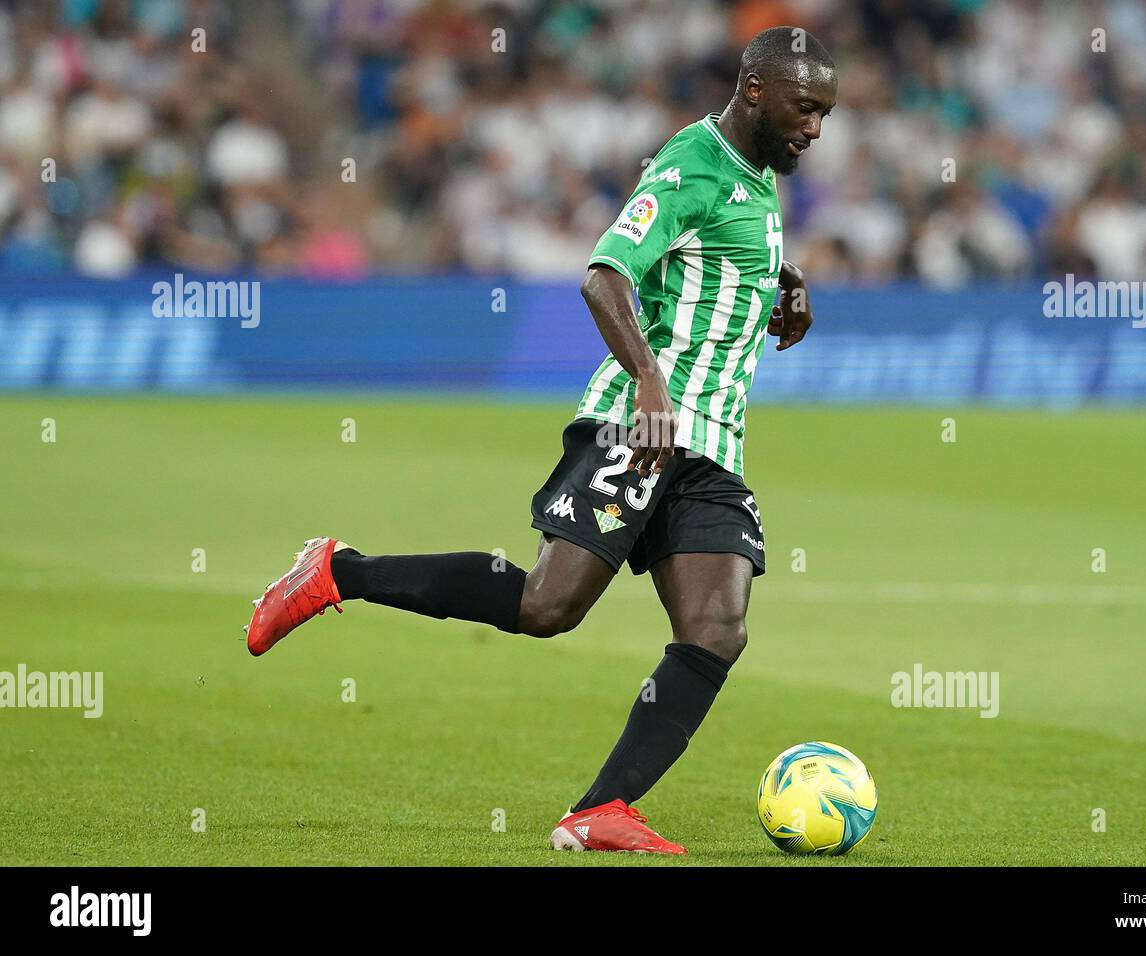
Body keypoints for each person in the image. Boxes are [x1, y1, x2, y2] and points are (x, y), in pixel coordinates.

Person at [245, 26, 837, 855]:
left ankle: (602, 809)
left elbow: (711, 257)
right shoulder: (689, 164)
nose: (816, 129)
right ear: (756, 93)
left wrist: (783, 283)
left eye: (825, 115)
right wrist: (651, 383)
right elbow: (605, 276)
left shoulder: (754, 176)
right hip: (643, 428)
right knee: (545, 606)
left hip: (713, 450)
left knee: (718, 627)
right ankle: (339, 571)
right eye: (807, 111)